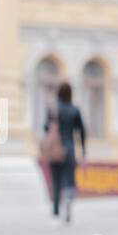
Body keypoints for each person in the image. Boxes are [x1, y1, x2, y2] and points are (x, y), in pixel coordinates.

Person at [45, 82, 85, 223]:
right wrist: (84, 152)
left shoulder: (53, 109)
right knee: (69, 179)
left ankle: (56, 210)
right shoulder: (75, 110)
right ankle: (68, 201)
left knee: (55, 179)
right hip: (69, 148)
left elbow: (46, 128)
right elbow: (81, 132)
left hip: (55, 148)